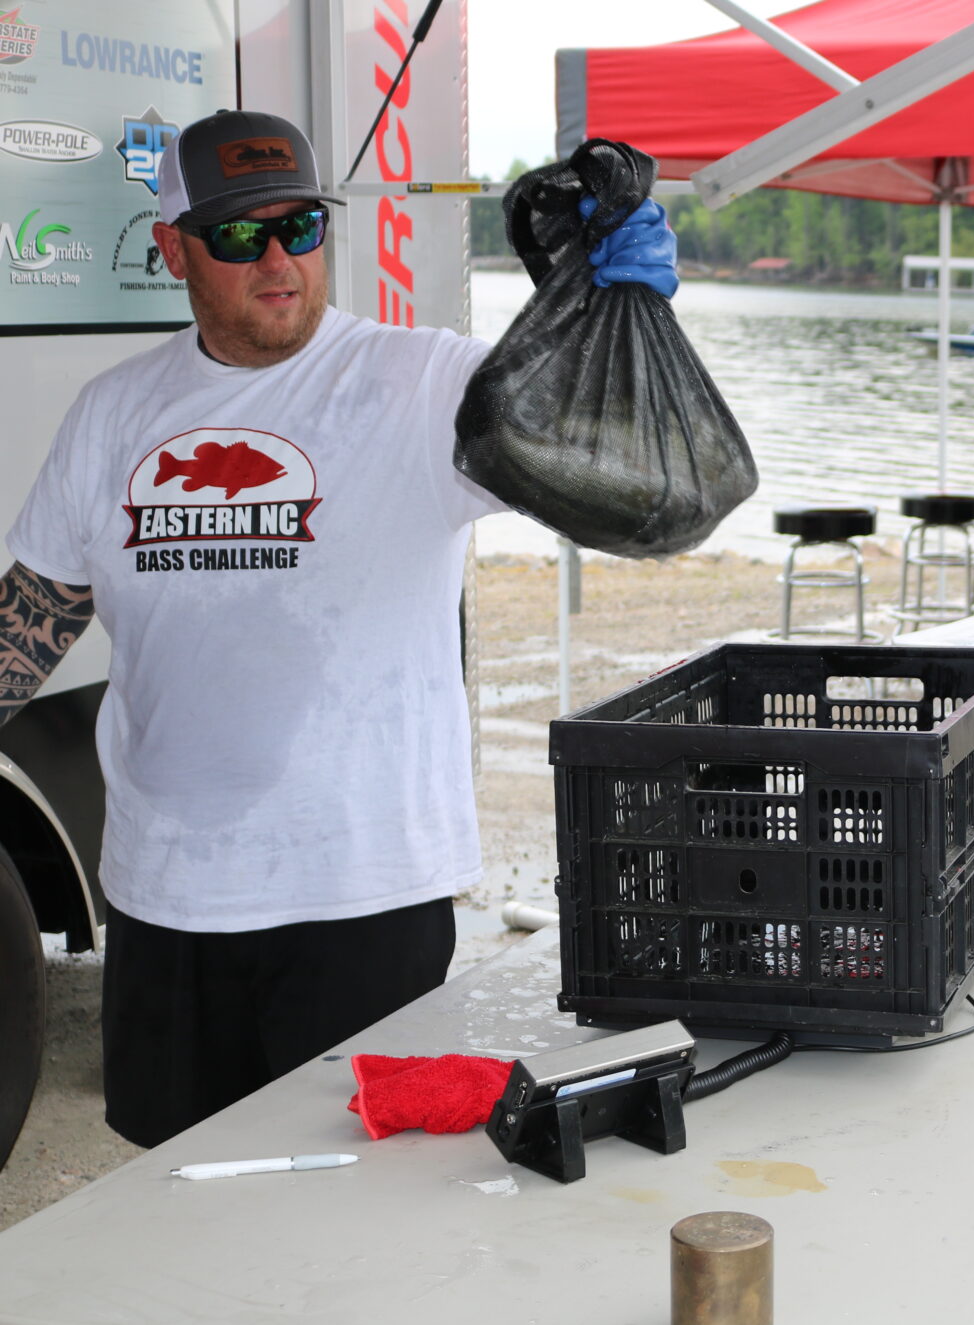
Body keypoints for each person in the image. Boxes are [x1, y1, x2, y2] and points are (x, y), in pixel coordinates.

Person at [0, 110, 678, 1149]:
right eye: (239, 237)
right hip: (164, 892)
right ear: (175, 246)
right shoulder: (113, 412)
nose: (279, 260)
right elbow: (38, 608)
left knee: (358, 1223)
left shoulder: (428, 383)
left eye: (301, 229)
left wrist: (613, 313)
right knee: (174, 1189)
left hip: (364, 896)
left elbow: (631, 475)